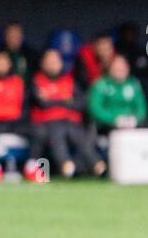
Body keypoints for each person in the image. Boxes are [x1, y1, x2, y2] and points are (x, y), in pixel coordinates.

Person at [28, 48, 106, 179]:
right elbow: (42, 103)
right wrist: (65, 100)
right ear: (42, 63)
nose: (53, 64)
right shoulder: (36, 80)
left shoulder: (69, 80)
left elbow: (81, 103)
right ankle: (65, 166)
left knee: (79, 136)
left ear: (61, 63)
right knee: (57, 130)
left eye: (55, 61)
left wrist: (53, 99)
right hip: (47, 124)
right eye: (49, 61)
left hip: (70, 123)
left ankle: (98, 166)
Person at [87, 53, 147, 135]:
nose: (120, 69)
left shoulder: (133, 84)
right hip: (107, 127)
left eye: (122, 66)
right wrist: (114, 119)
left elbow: (141, 107)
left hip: (132, 125)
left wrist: (135, 119)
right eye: (116, 67)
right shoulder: (100, 84)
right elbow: (95, 108)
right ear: (109, 68)